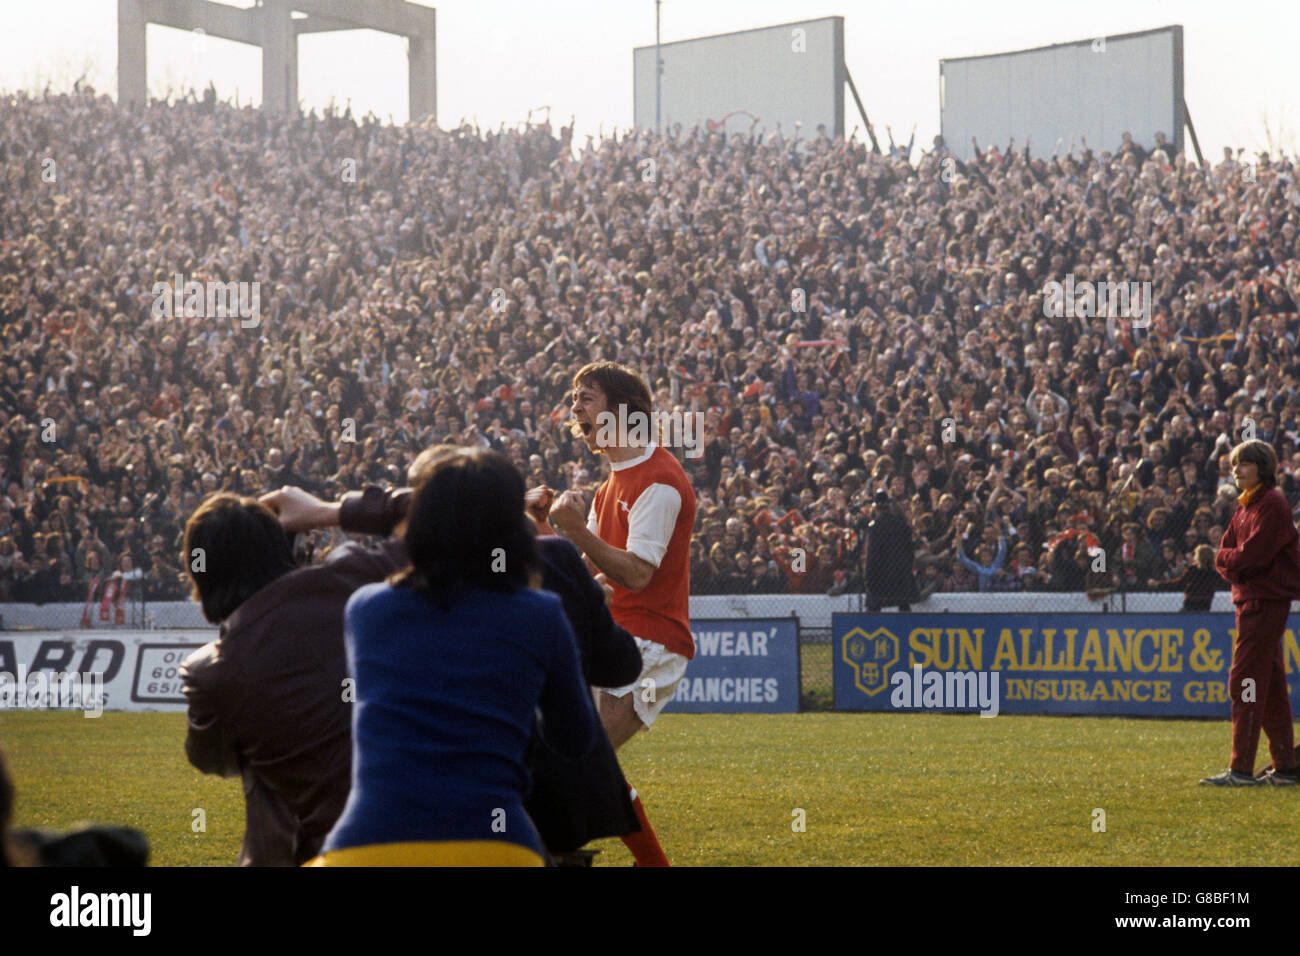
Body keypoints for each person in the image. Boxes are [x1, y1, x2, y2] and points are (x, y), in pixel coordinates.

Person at [263, 453, 643, 858]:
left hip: (367, 842)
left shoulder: (366, 609)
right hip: (495, 844)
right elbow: (575, 738)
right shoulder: (539, 612)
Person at [179, 493, 393, 864]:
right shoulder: (357, 577)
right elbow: (458, 526)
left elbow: (210, 759)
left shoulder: (213, 672)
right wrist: (333, 512)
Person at [542, 360, 697, 867]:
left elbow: (635, 574)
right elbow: (588, 574)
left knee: (579, 758)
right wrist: (543, 529)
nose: (574, 407)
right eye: (572, 398)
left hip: (651, 646)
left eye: (585, 397)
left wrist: (572, 530)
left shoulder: (660, 480)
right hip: (615, 640)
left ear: (621, 412)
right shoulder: (612, 483)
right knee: (576, 758)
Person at [1201, 441, 1300, 786]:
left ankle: (1240, 769)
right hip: (1251, 601)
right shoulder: (1245, 506)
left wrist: (1231, 561)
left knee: (1243, 681)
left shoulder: (1271, 503)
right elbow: (1227, 555)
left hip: (1264, 602)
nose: (1236, 470)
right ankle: (1286, 767)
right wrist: (1232, 560)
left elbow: (1248, 556)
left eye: (1244, 464)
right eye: (1234, 465)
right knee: (1269, 687)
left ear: (1263, 468)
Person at [864, 490, 920, 610]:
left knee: (874, 608)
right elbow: (910, 550)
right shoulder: (902, 524)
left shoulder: (875, 527)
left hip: (880, 576)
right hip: (901, 574)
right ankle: (907, 628)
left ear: (876, 507)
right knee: (904, 606)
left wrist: (868, 576)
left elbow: (872, 555)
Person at [1146, 544, 1227, 612]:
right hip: (1205, 604)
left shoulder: (1192, 570)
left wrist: (1159, 584)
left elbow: (1179, 583)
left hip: (1191, 603)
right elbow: (1224, 584)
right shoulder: (1214, 573)